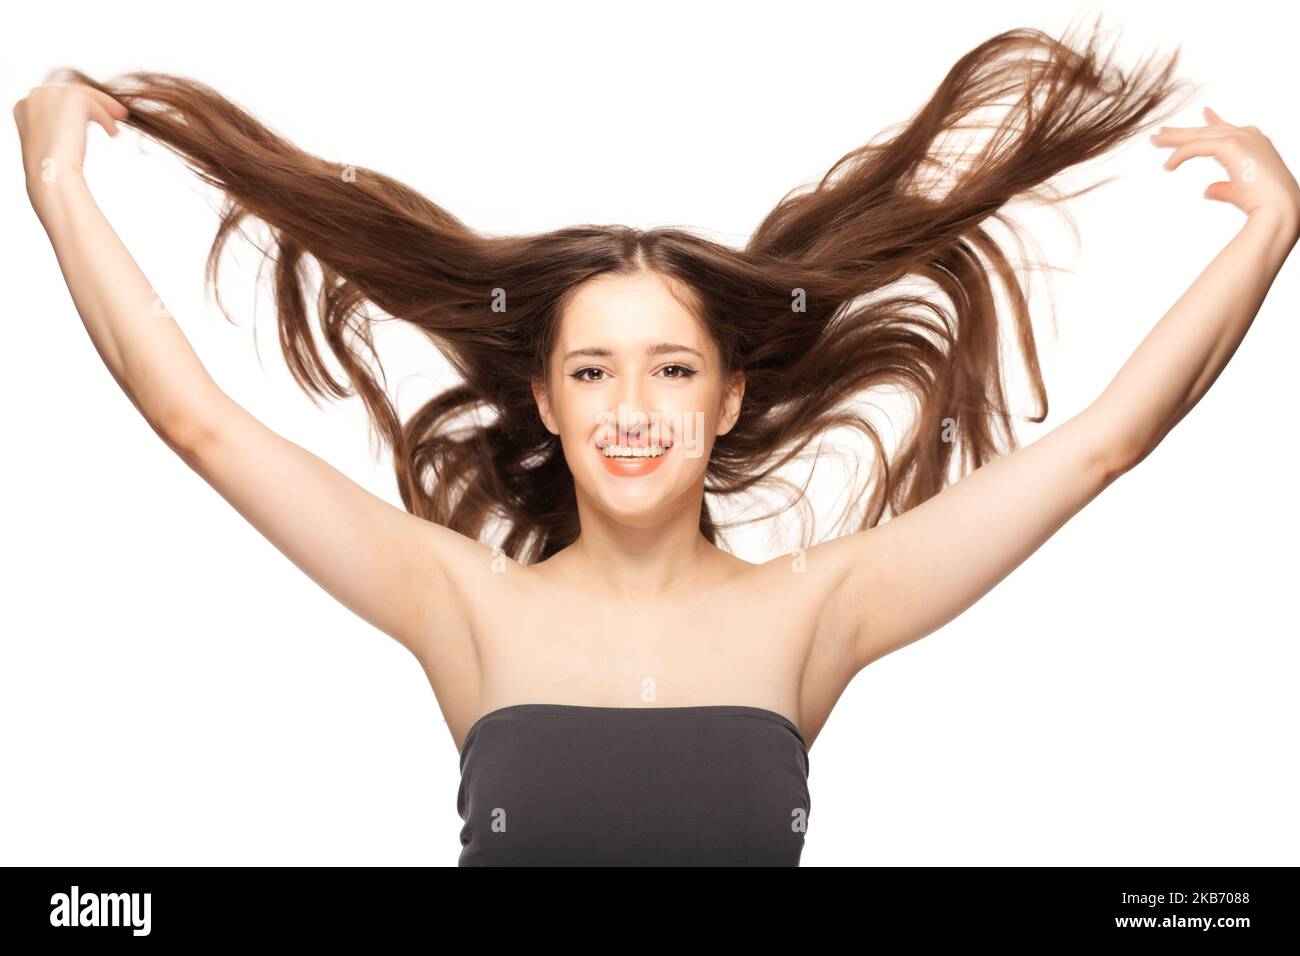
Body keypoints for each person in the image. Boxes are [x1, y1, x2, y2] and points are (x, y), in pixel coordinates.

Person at [15, 19, 1299, 866]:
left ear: (727, 398)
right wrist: (61, 190)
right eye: (593, 370)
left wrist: (1268, 231)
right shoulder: (458, 599)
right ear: (549, 403)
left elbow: (1100, 448)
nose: (633, 406)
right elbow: (194, 423)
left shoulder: (822, 609)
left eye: (671, 367)